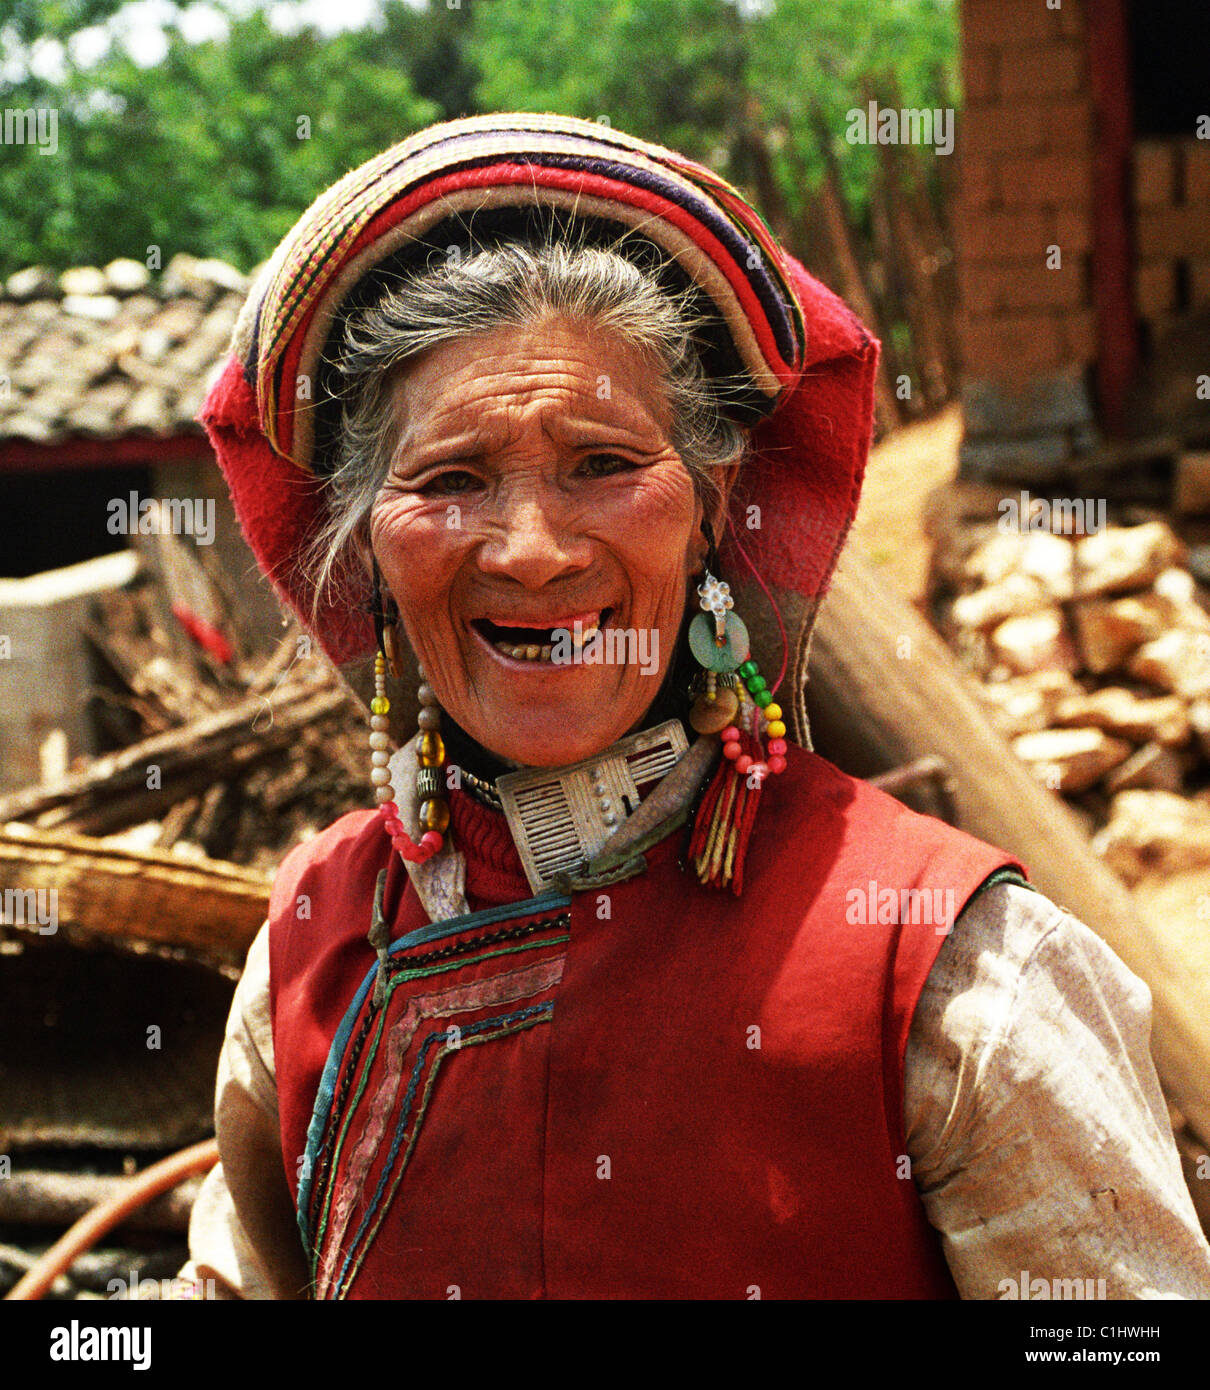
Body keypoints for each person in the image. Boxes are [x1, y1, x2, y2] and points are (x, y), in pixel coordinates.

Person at [180, 113, 1210, 1299]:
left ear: (714, 503)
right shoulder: (313, 947)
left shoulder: (952, 969)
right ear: (362, 550)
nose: (531, 550)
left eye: (604, 465)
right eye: (450, 480)